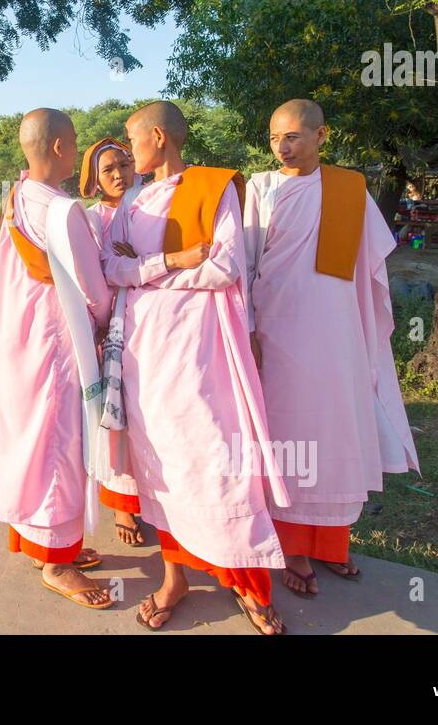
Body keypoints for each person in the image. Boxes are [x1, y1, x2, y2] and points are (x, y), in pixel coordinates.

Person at [104, 100, 288, 634]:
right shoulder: (132, 202)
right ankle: (175, 578)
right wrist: (173, 263)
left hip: (198, 348)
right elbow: (110, 267)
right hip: (144, 350)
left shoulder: (214, 188)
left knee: (213, 457)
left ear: (158, 137)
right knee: (161, 461)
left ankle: (249, 584)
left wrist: (147, 275)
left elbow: (226, 267)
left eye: (132, 138)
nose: (127, 148)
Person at [246, 99, 420, 598]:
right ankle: (293, 548)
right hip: (278, 331)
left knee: (334, 431)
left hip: (335, 333)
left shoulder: (349, 189)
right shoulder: (260, 188)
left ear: (322, 136)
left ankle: (331, 544)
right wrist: (252, 327)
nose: (282, 146)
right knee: (290, 432)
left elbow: (370, 266)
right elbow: (246, 265)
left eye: (294, 136)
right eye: (275, 136)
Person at [0, 108, 113, 610]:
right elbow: (92, 289)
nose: (77, 150)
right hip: (56, 342)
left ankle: (44, 545)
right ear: (59, 148)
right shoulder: (63, 210)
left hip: (18, 337)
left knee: (28, 437)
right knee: (57, 442)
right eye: (75, 142)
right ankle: (57, 562)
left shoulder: (17, 196)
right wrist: (109, 318)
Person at [79, 137, 145, 547]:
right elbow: (88, 272)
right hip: (109, 321)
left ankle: (151, 494)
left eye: (124, 163)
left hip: (150, 315)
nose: (119, 174)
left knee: (144, 409)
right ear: (94, 178)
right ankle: (123, 501)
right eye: (109, 169)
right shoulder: (88, 218)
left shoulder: (148, 204)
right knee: (115, 410)